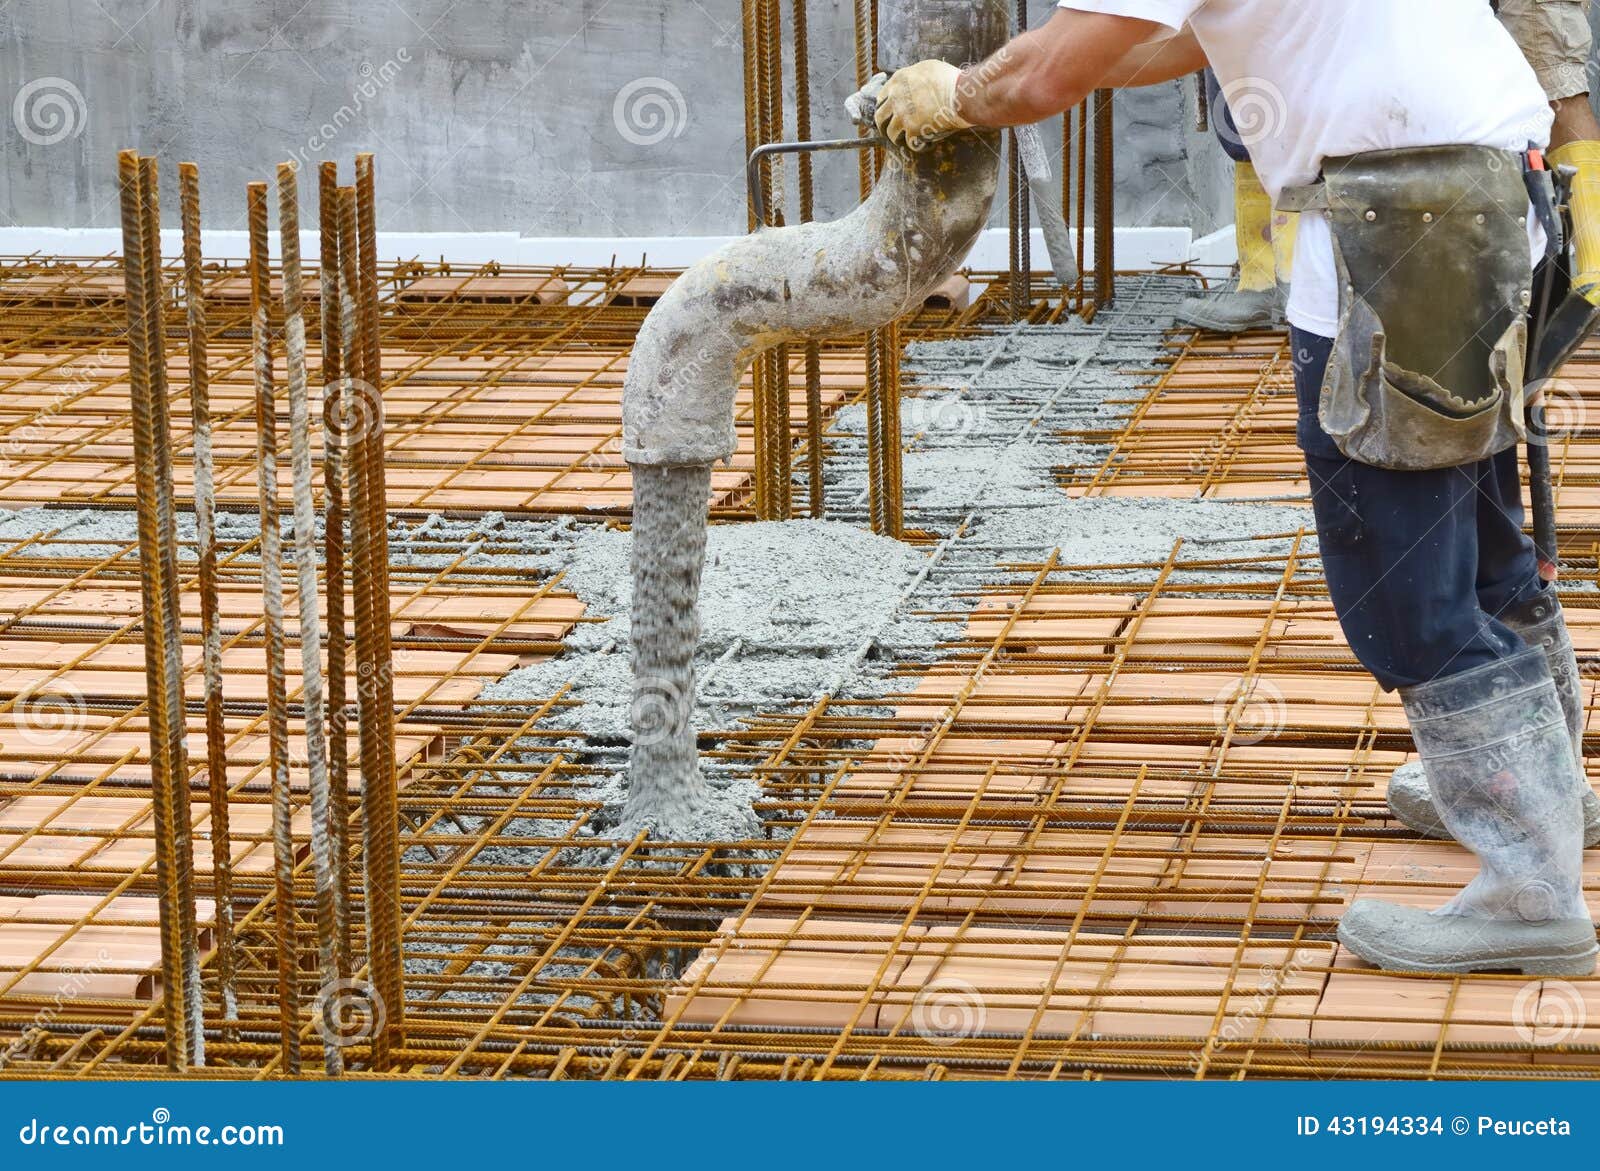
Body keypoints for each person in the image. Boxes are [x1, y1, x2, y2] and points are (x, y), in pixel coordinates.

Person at [873, 1, 1599, 977]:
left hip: (1397, 231)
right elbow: (1173, 39)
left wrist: (949, 97)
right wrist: (1057, 70)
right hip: (1482, 204)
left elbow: (1045, 72)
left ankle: (1530, 892)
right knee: (1481, 534)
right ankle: (1544, 792)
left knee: (1407, 588)